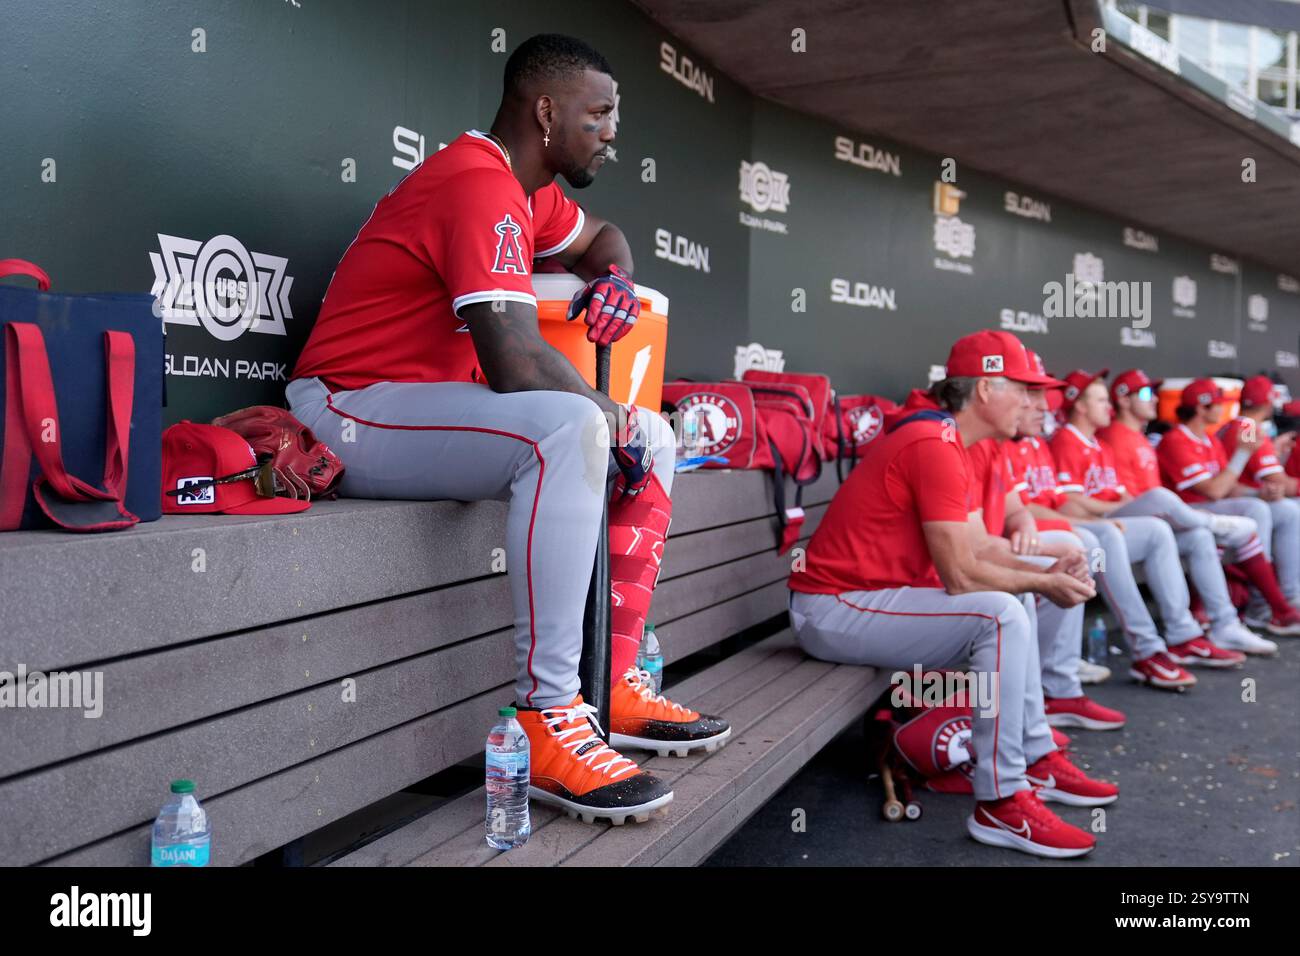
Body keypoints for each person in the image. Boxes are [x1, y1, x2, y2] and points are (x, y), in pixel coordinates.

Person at [285, 34, 730, 825]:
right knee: (571, 429)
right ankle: (549, 717)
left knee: (653, 436)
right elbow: (514, 361)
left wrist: (616, 278)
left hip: (422, 411)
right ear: (547, 111)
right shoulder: (477, 182)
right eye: (600, 114)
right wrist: (605, 418)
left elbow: (599, 239)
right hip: (345, 409)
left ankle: (614, 681)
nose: (612, 131)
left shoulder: (527, 188)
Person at [788, 330, 1115, 859]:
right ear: (985, 388)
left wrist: (1044, 566)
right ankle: (1002, 801)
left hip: (876, 600)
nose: (1039, 403)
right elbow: (962, 576)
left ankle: (1032, 758)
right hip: (833, 606)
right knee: (1002, 612)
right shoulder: (931, 444)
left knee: (1018, 598)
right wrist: (1043, 580)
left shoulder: (954, 442)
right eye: (1025, 390)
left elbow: (981, 545)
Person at [1049, 371, 1246, 680]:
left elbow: (1121, 494)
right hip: (1093, 529)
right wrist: (1118, 511)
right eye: (1101, 400)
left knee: (1185, 535)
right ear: (1081, 406)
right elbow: (1067, 502)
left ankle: (1190, 633)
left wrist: (1125, 509)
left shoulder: (1101, 445)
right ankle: (1146, 649)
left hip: (1114, 526)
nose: (1108, 406)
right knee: (1157, 504)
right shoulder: (1066, 440)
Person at [1095, 369, 1280, 655]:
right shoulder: (1113, 436)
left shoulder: (1141, 437)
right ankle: (1216, 525)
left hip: (1159, 524)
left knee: (1199, 537)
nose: (1154, 399)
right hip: (1123, 525)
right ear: (1122, 400)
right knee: (1165, 502)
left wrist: (1257, 491)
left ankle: (1217, 627)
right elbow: (1124, 499)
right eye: (1146, 393)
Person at [1155, 378, 1300, 639]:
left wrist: (1260, 492)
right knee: (1255, 510)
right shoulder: (1176, 440)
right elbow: (1213, 490)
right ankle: (1265, 603)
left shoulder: (1210, 439)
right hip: (1185, 515)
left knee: (1279, 510)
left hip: (1214, 512)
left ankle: (1282, 599)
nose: (1223, 409)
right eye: (1217, 404)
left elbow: (1228, 487)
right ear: (1201, 408)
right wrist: (1243, 454)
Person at [1215, 375, 1300, 635]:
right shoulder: (1249, 428)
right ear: (1267, 404)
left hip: (1235, 502)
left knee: (1285, 510)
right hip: (1228, 507)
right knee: (1282, 509)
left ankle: (1285, 597)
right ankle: (1263, 603)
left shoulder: (1234, 426)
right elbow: (1282, 484)